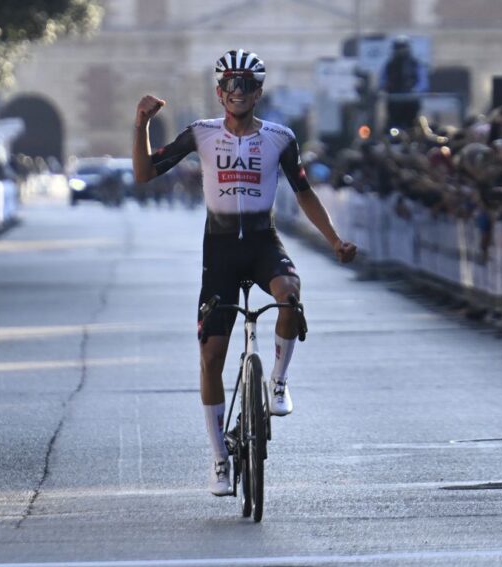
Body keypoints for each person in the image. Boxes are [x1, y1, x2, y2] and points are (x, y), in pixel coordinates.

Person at [132, 49, 356, 497]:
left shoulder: (280, 137)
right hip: (218, 252)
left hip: (261, 243)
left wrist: (334, 240)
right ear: (219, 92)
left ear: (258, 91)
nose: (238, 92)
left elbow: (306, 193)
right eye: (230, 84)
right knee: (212, 357)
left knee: (290, 294)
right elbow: (143, 174)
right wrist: (140, 125)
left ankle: (278, 382)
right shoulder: (200, 133)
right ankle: (219, 458)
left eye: (247, 85)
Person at [379, 36, 423, 134]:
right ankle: (394, 140)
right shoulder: (389, 64)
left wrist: (415, 90)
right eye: (398, 48)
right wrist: (385, 89)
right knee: (394, 126)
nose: (401, 51)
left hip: (411, 102)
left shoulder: (414, 63)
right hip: (394, 102)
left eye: (403, 47)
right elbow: (382, 81)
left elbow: (422, 82)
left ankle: (411, 138)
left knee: (411, 125)